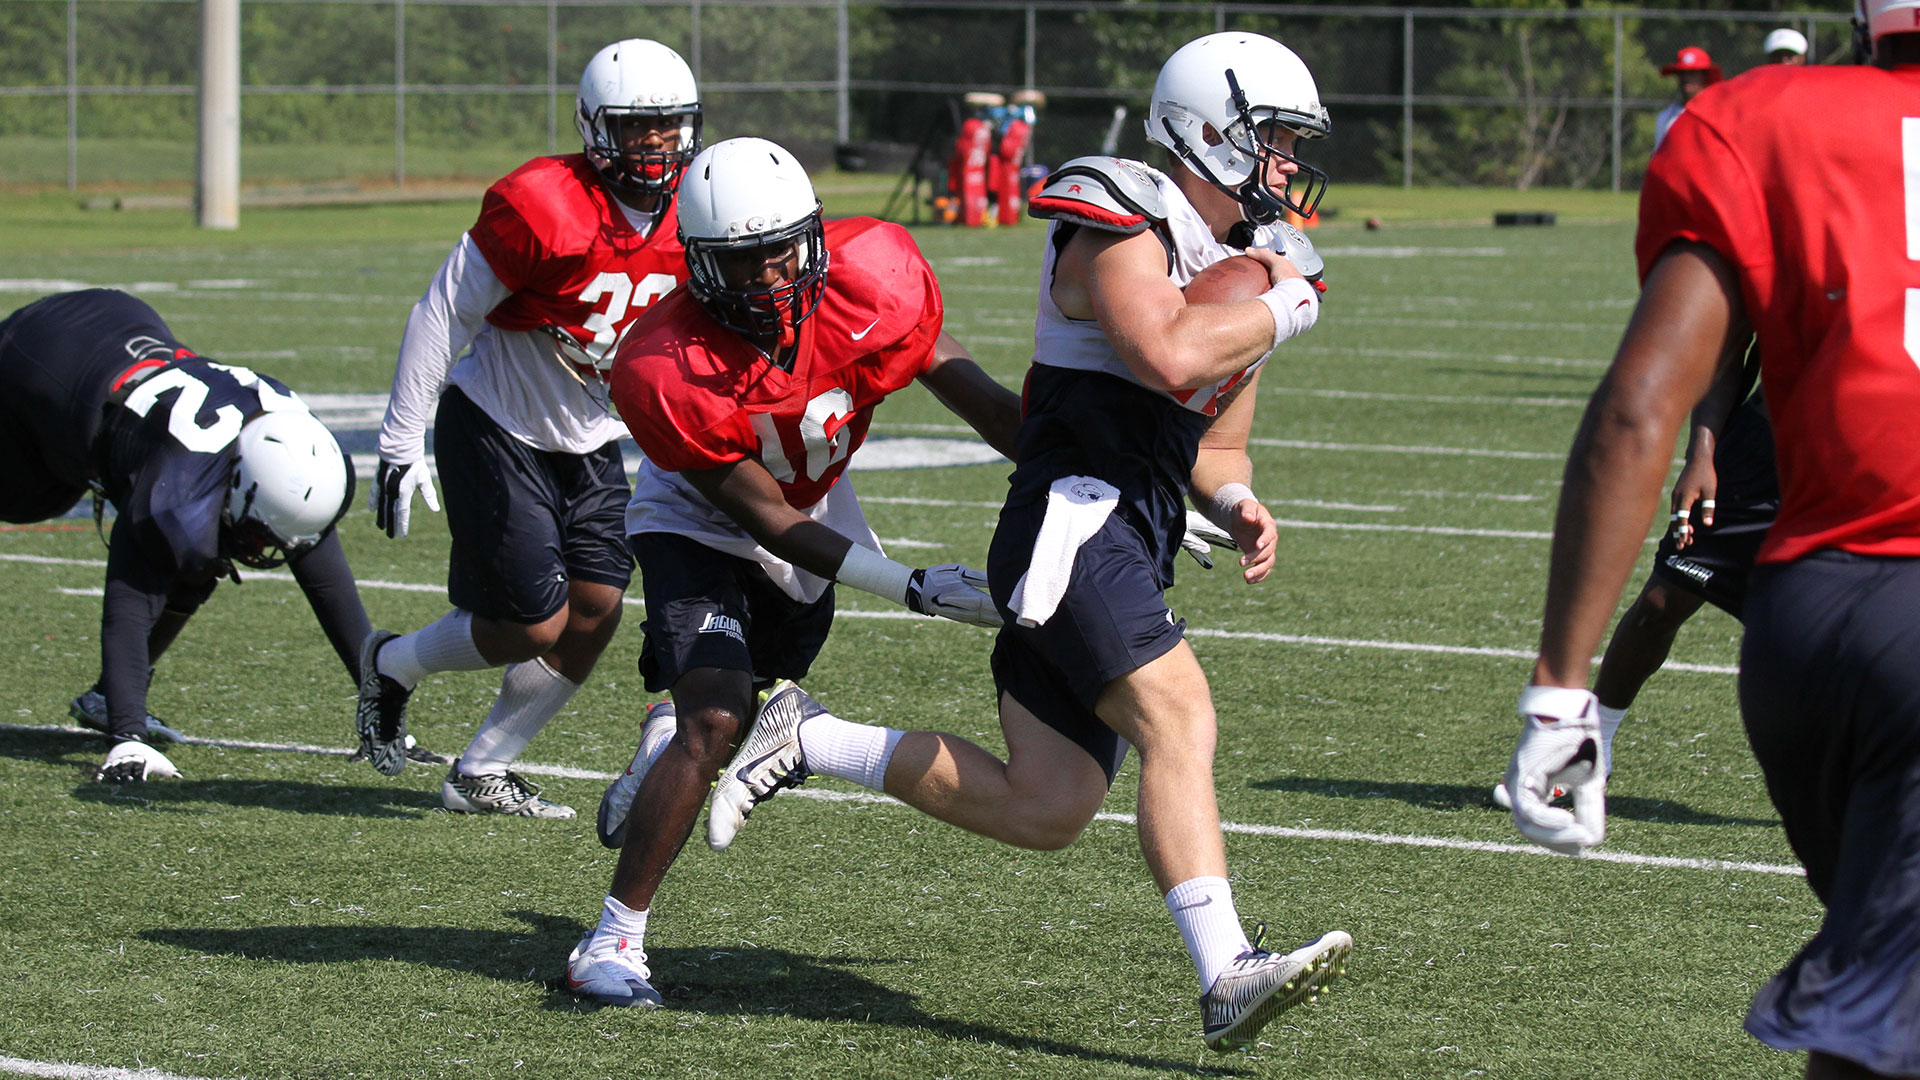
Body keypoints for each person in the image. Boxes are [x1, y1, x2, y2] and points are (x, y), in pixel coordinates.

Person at [646, 33, 1352, 1052]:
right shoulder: (1120, 217)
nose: (1289, 162)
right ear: (1211, 130)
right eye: (1276, 138)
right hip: (1075, 521)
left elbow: (1215, 435)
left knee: (1049, 805)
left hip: (1137, 530)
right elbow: (1161, 352)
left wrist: (1237, 495)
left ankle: (809, 736)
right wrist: (1286, 302)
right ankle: (1228, 971)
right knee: (1180, 719)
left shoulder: (1252, 263)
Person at [1501, 4, 1920, 1074]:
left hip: (1811, 622)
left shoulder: (1763, 122)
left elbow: (1638, 405)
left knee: (1883, 980)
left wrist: (1561, 687)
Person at [565, 136, 1022, 1009]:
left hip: (816, 505)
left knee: (755, 692)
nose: (773, 275)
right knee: (717, 716)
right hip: (700, 517)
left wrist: (1119, 482)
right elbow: (761, 516)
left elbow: (991, 405)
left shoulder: (874, 277)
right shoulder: (663, 364)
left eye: (784, 249)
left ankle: (661, 740)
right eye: (744, 261)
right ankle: (611, 941)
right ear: (699, 265)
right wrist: (910, 585)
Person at [355, 38, 699, 816]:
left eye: (669, 125)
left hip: (590, 436)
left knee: (597, 611)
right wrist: (400, 440)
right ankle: (396, 661)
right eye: (635, 127)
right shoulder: (545, 203)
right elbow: (443, 310)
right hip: (497, 423)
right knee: (532, 624)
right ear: (592, 128)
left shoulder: (693, 216)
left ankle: (481, 768)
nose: (655, 144)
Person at [0, 289, 369, 782]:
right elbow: (128, 603)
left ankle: (106, 698)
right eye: (262, 535)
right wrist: (128, 738)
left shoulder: (289, 457)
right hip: (36, 361)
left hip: (121, 330)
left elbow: (328, 585)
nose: (266, 549)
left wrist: (379, 705)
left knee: (204, 555)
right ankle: (114, 704)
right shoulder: (175, 485)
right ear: (237, 484)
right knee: (31, 501)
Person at [1491, 346, 1776, 810]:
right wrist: (1701, 455)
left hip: (1882, 468)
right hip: (1762, 458)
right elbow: (1730, 354)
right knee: (1661, 603)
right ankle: (1588, 750)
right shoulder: (1791, 269)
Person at [989, 89, 1045, 226]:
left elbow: (1005, 148)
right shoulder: (1021, 126)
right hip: (1011, 161)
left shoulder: (1017, 126)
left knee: (997, 187)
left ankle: (997, 215)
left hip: (1007, 159)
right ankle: (1003, 214)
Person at [1653, 46, 1721, 150]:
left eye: (1692, 73)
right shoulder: (1666, 117)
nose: (1686, 78)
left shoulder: (1718, 114)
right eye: (1682, 73)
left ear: (1704, 75)